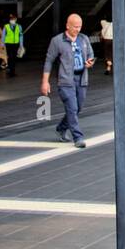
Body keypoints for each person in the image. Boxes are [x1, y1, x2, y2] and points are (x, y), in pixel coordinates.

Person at [42, 13, 96, 148]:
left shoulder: (84, 39)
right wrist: (45, 81)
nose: (78, 29)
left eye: (80, 27)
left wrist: (90, 62)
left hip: (82, 79)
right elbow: (49, 61)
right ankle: (78, 137)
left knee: (78, 108)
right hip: (66, 81)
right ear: (67, 26)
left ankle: (61, 127)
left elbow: (91, 55)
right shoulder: (57, 41)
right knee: (72, 108)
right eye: (75, 27)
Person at [2, 13, 23, 78]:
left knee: (14, 57)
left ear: (16, 19)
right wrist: (3, 44)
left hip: (15, 44)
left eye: (13, 19)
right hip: (8, 44)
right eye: (11, 19)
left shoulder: (19, 26)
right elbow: (3, 35)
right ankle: (11, 70)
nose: (12, 20)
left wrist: (21, 44)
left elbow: (21, 36)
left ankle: (12, 71)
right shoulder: (6, 26)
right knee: (10, 57)